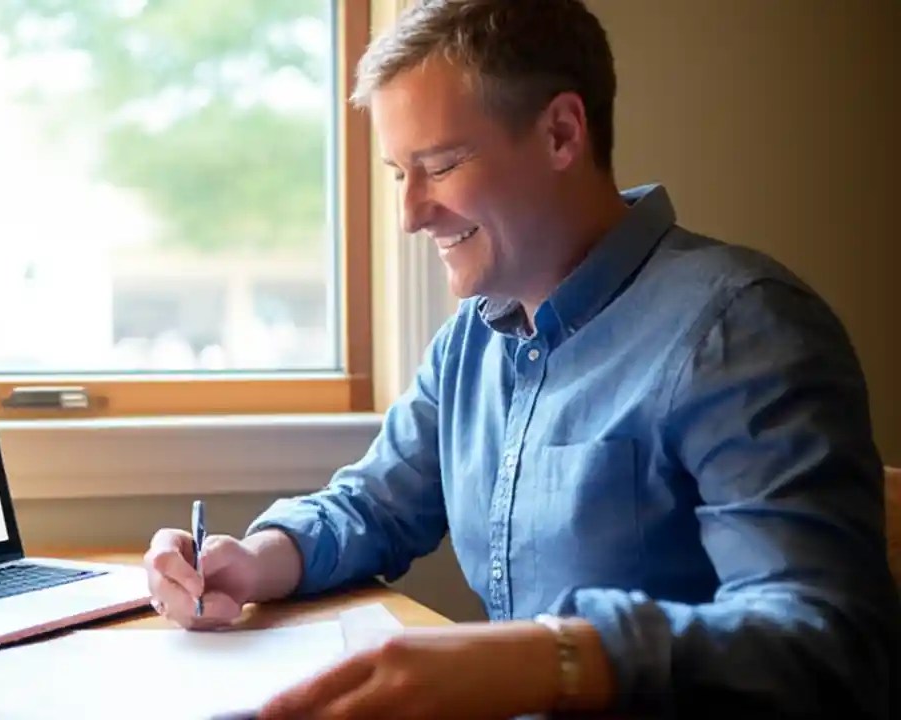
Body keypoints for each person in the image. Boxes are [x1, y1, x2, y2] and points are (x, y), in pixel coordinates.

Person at [143, 0, 900, 717]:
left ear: (562, 134)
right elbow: (374, 505)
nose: (409, 216)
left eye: (439, 167)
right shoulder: (471, 340)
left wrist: (549, 659)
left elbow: (826, 641)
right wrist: (255, 559)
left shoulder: (742, 329)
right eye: (396, 175)